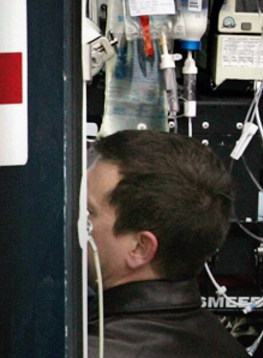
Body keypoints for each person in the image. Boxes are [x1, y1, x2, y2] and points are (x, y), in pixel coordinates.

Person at [86, 130, 248, 358]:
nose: (72, 220)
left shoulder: (92, 350)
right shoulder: (223, 344)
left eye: (88, 212)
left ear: (140, 248)